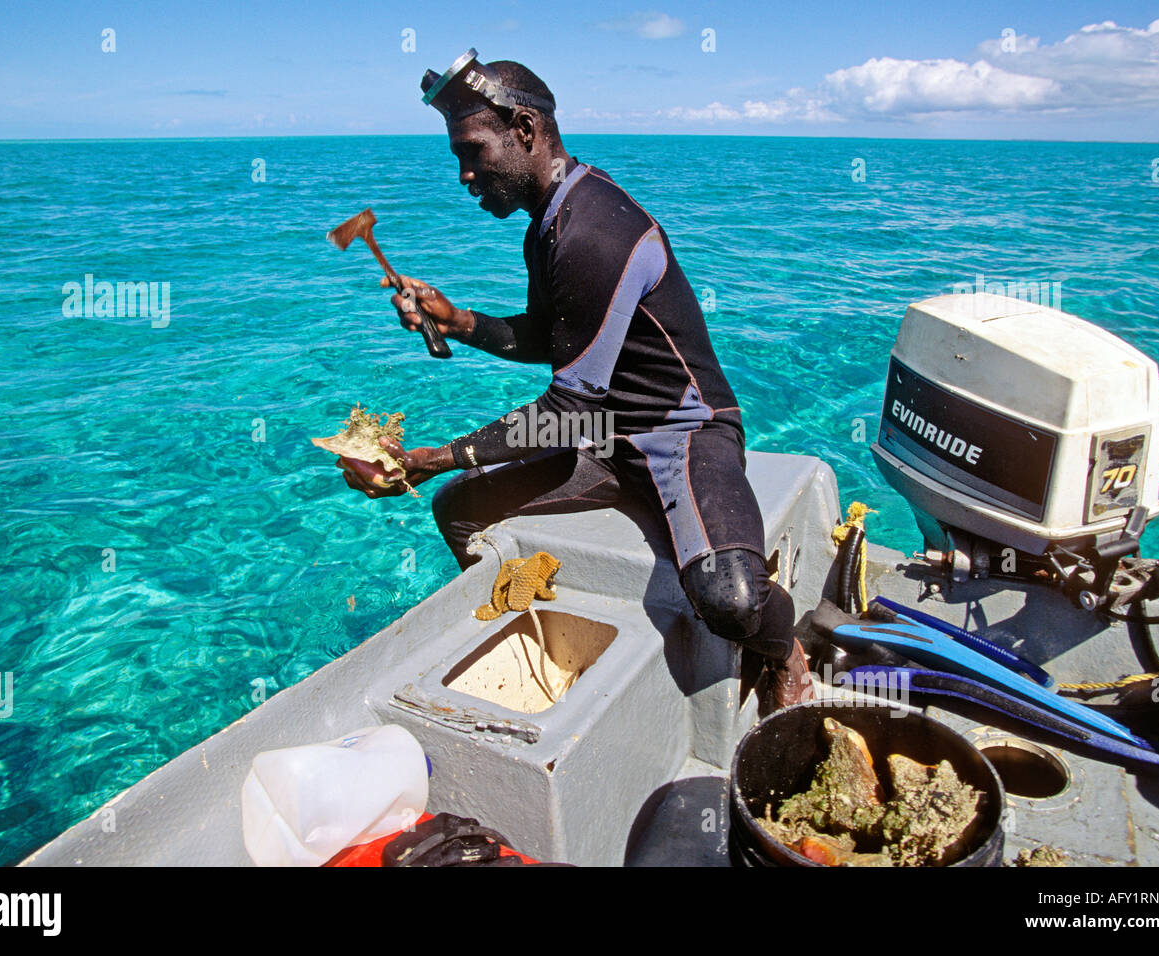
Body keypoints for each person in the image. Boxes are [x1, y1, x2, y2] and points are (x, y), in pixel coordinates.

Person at [338, 50, 809, 706]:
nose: (465, 174)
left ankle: (788, 654)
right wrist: (460, 319)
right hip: (606, 437)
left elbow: (565, 409)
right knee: (461, 512)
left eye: (472, 151)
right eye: (456, 158)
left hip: (682, 436)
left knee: (728, 600)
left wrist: (431, 458)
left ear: (526, 132)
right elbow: (548, 340)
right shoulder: (550, 224)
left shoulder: (592, 230)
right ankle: (533, 629)